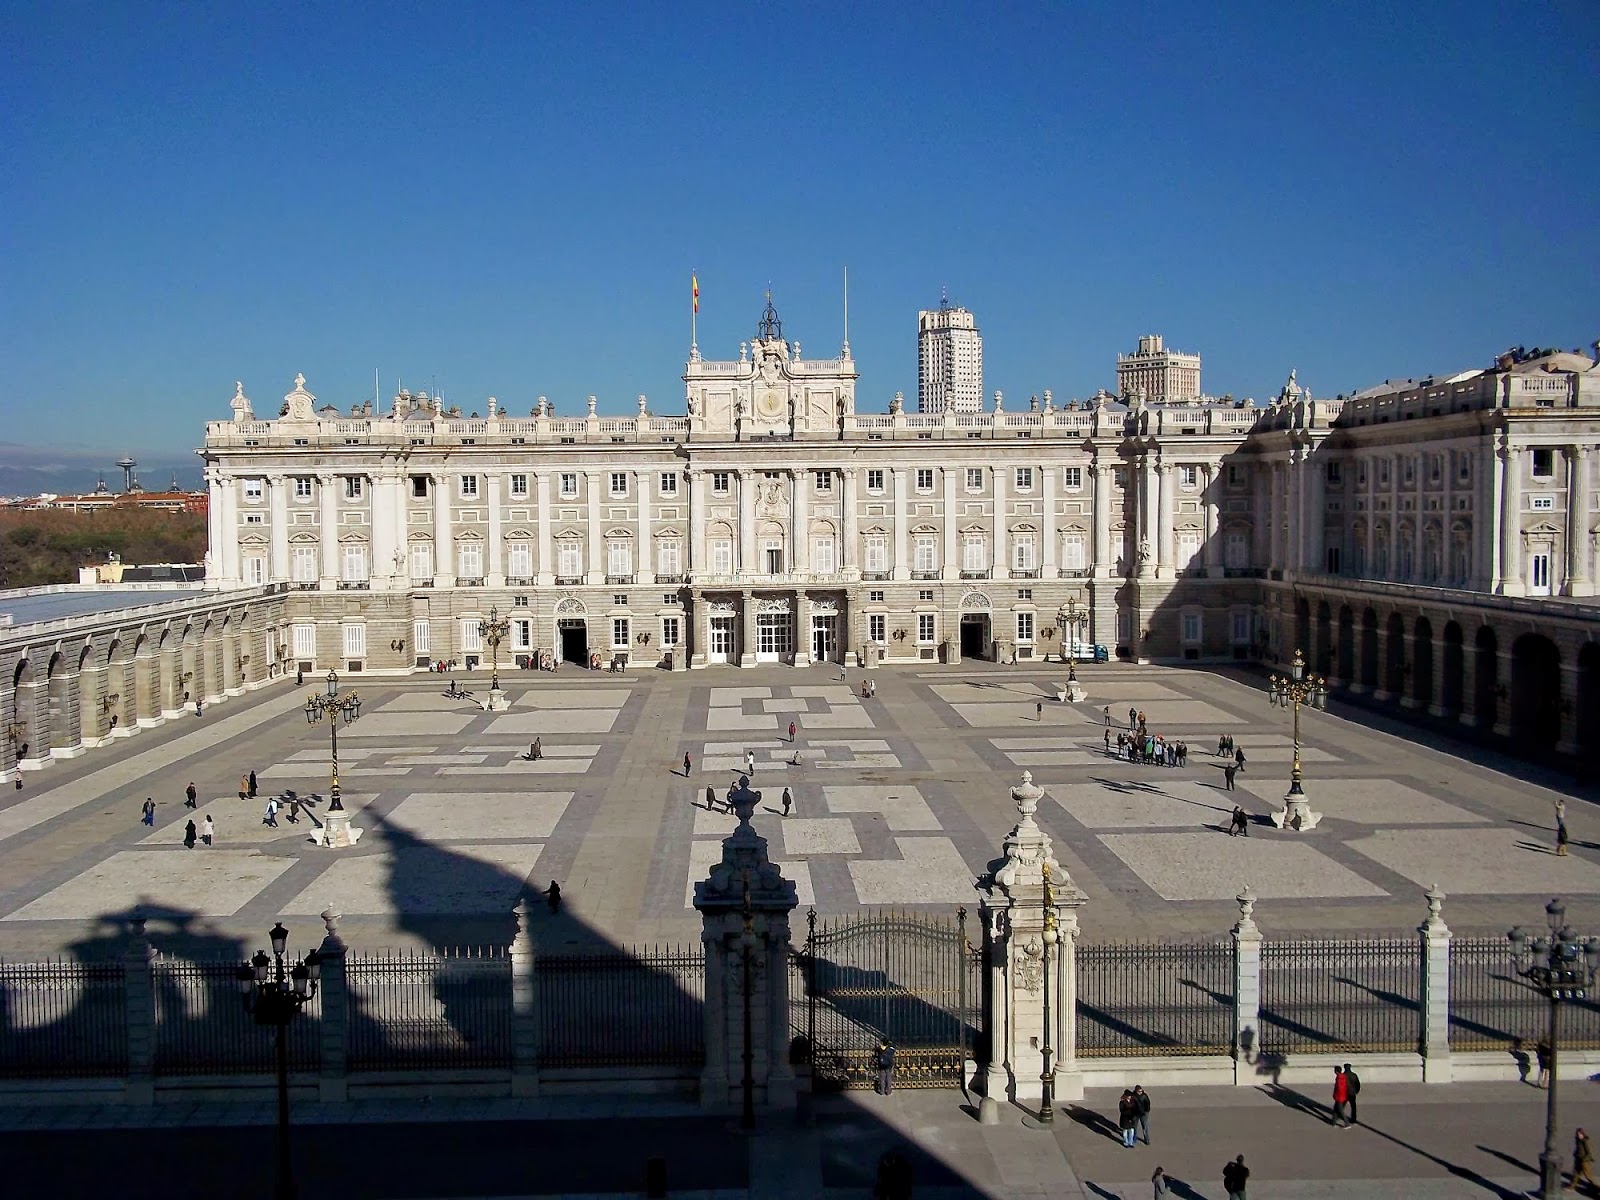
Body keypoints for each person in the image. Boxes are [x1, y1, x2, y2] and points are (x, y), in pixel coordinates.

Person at [1574, 1128, 1596, 1195]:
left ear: (1583, 1134)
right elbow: (1578, 1149)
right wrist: (1575, 1153)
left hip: (1584, 1161)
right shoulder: (1578, 1140)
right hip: (1578, 1159)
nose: (1578, 1136)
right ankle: (1572, 1186)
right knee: (1575, 1173)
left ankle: (1594, 1187)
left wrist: (1584, 1159)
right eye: (1577, 1134)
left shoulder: (1584, 1141)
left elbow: (1588, 1152)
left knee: (1588, 1175)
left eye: (1580, 1134)